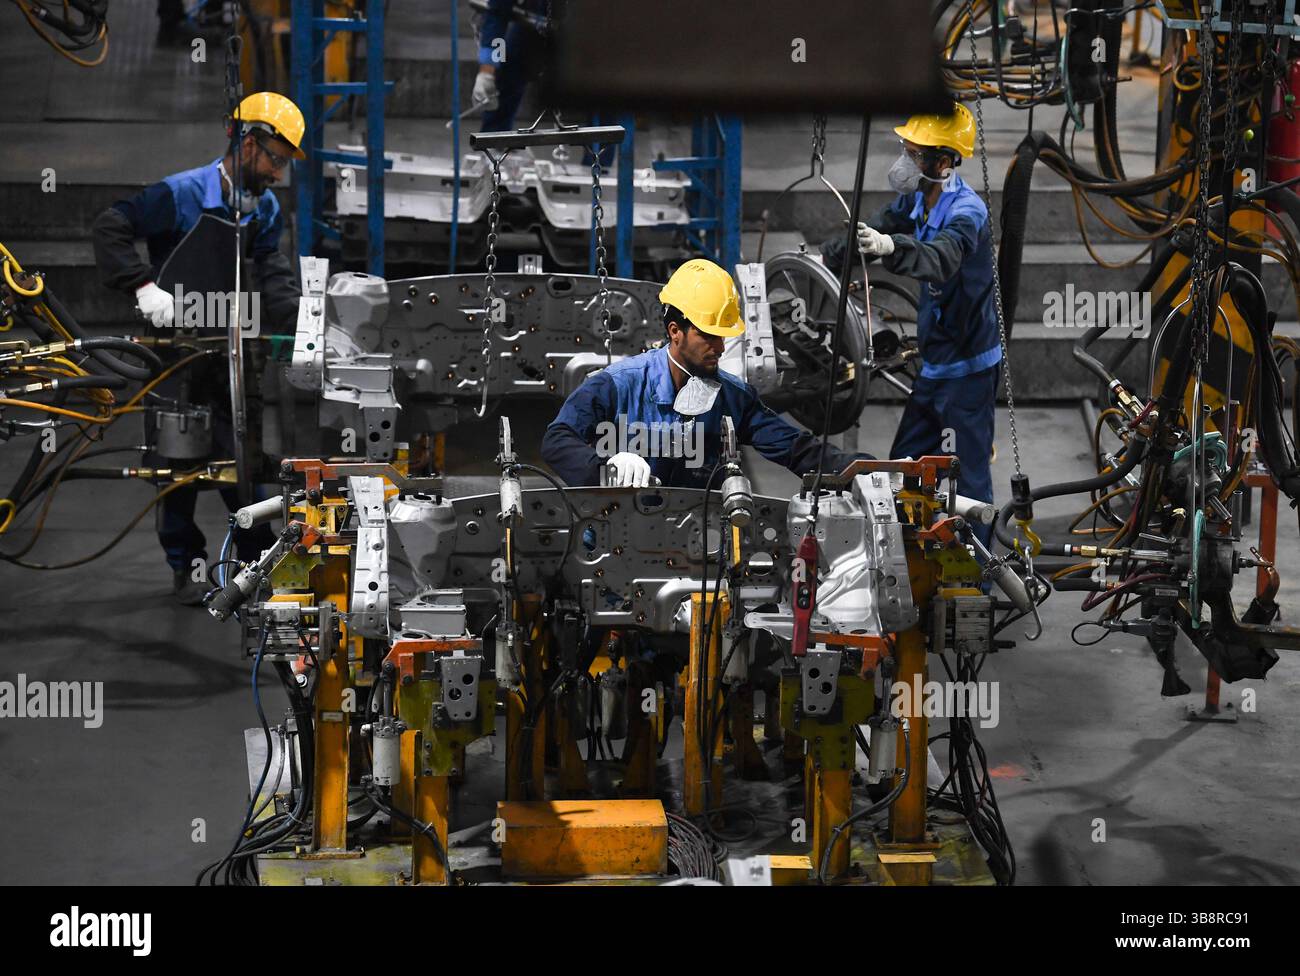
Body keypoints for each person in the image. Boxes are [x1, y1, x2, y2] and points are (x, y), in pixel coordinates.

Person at [90, 92, 305, 605]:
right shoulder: (181, 193)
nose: (277, 173)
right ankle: (186, 567)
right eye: (274, 158)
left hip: (231, 349)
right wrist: (143, 287)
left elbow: (272, 275)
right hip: (177, 353)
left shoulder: (265, 208)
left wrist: (303, 324)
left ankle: (256, 566)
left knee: (244, 462)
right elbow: (110, 225)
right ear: (247, 143)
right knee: (178, 465)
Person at [824, 103, 1000, 545]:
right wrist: (836, 252)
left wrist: (889, 246)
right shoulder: (919, 198)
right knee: (904, 466)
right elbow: (879, 226)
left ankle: (979, 578)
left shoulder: (967, 213)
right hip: (937, 364)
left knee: (967, 478)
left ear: (943, 161)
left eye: (915, 152)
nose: (905, 160)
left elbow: (940, 259)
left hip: (968, 371)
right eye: (906, 147)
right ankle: (904, 557)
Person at [542, 258, 867, 489]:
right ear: (675, 331)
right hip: (618, 540)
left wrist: (861, 469)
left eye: (722, 336)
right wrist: (606, 469)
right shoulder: (617, 384)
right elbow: (557, 440)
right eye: (708, 336)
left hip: (697, 542)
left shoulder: (732, 397)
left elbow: (794, 448)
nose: (720, 347)